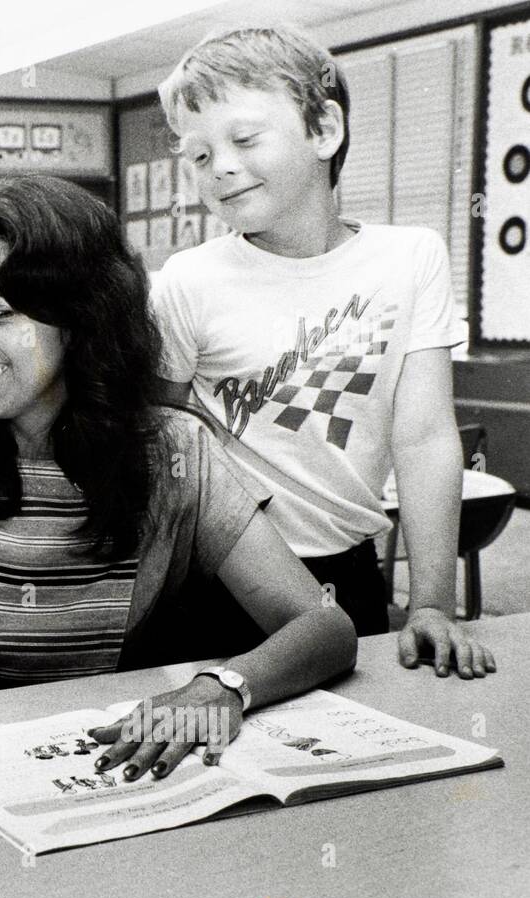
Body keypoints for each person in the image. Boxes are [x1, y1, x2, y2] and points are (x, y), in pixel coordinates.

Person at [0, 175, 357, 789]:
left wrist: (225, 687)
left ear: (82, 322)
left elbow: (324, 626)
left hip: (108, 784)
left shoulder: (173, 453)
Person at [153, 26, 494, 680]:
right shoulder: (186, 283)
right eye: (197, 156)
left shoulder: (410, 258)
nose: (219, 166)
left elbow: (422, 437)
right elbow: (162, 450)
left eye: (244, 139)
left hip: (349, 573)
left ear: (324, 129)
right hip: (216, 582)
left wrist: (431, 604)